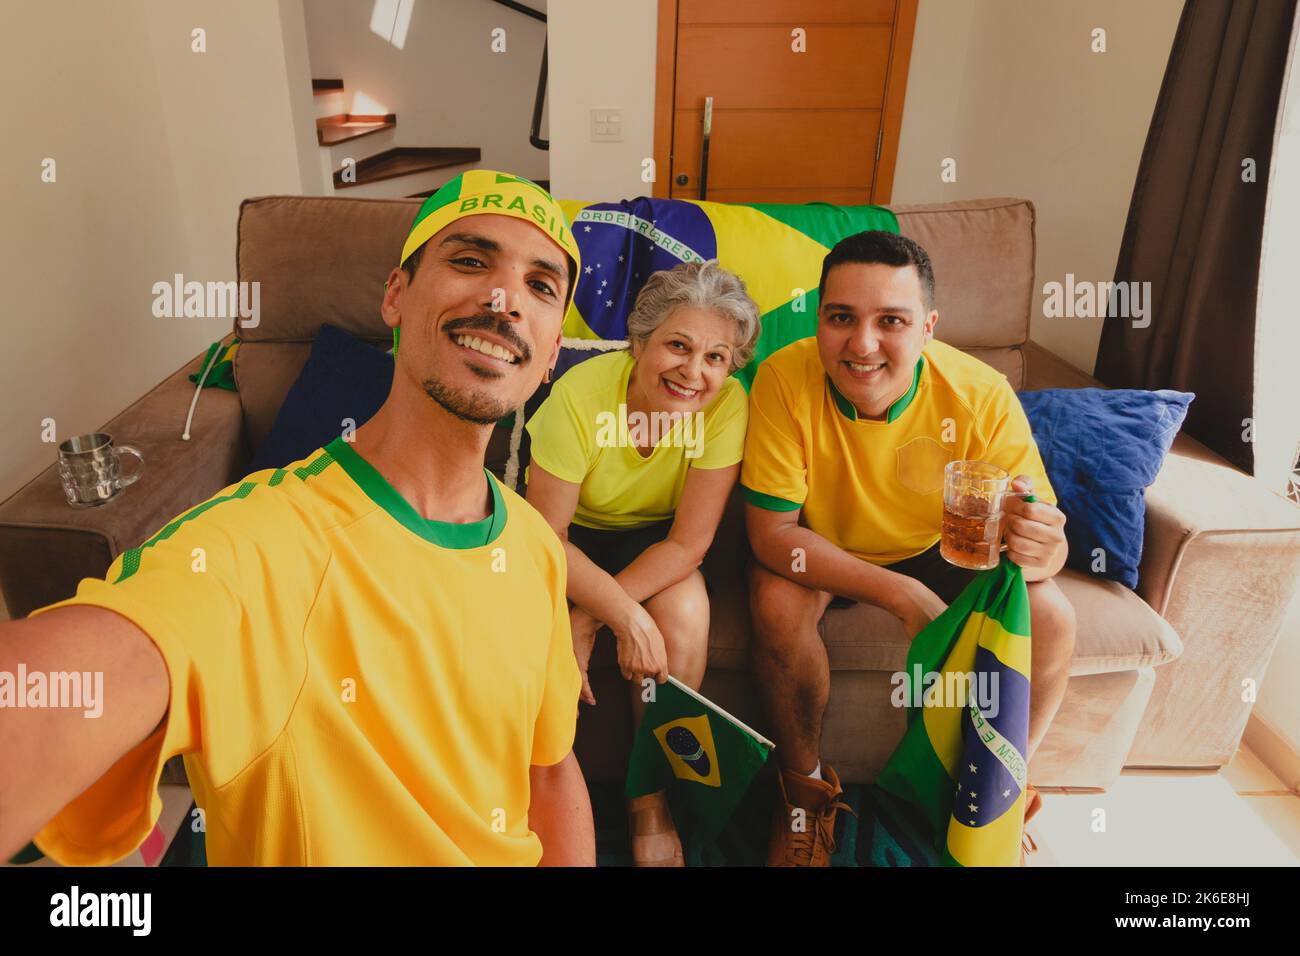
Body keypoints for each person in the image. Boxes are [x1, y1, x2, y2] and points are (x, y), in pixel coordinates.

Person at [0, 170, 595, 866]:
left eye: (541, 286)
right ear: (396, 296)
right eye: (470, 260)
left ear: (552, 355)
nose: (503, 299)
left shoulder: (532, 545)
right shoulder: (253, 547)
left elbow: (549, 770)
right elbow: (62, 686)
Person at [742, 230, 1076, 867]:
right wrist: (902, 596)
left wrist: (1043, 547)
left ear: (927, 328)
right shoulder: (784, 377)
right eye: (841, 318)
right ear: (819, 320)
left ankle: (1002, 787)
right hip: (821, 543)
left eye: (890, 321)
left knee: (1055, 614)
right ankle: (805, 794)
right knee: (776, 600)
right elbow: (772, 535)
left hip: (940, 543)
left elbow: (1044, 544)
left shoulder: (981, 394)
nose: (861, 345)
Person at [524, 259, 760, 866]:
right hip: (568, 537)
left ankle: (648, 799)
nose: (693, 372)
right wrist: (621, 613)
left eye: (715, 358)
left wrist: (589, 619)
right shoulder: (579, 396)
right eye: (677, 346)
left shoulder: (729, 405)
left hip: (659, 542)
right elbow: (547, 533)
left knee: (683, 612)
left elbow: (688, 545)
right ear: (639, 343)